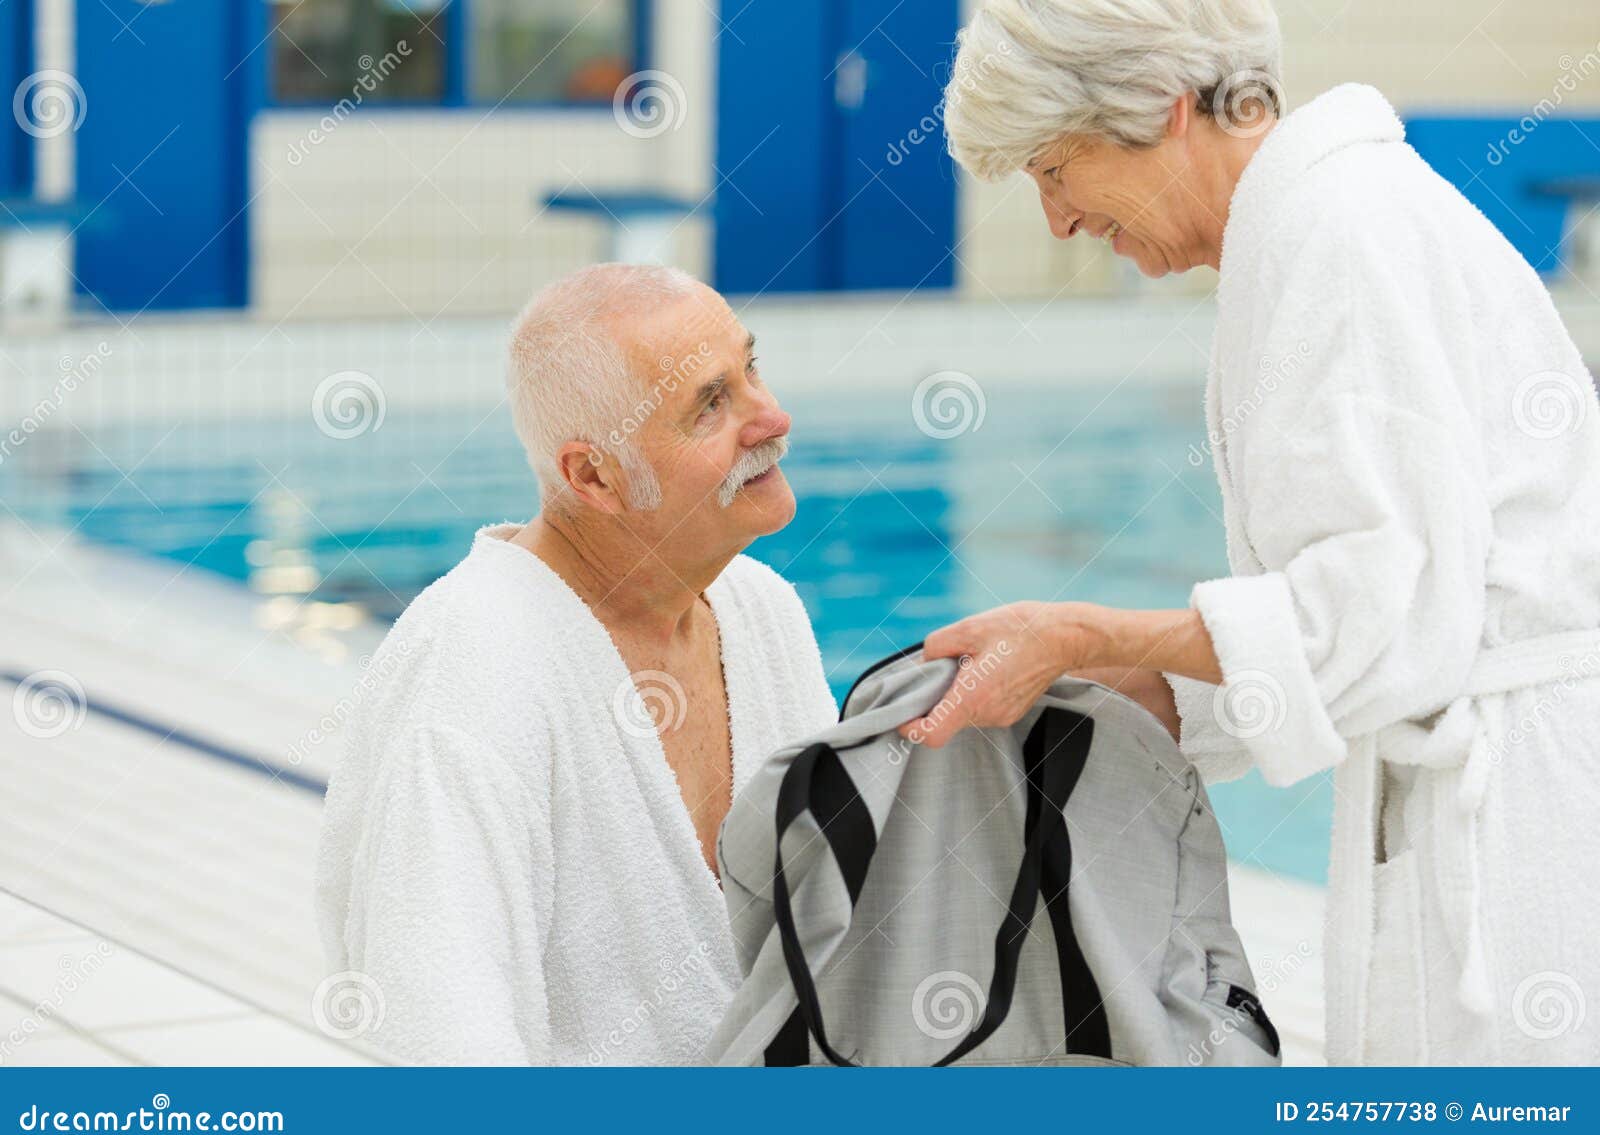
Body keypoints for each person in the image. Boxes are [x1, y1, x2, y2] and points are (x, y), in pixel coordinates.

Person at [914, 0, 1600, 1064]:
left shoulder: (1339, 234)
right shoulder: (1316, 223)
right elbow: (1357, 617)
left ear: (1159, 107)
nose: (1056, 220)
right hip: (1488, 781)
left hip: (1521, 825)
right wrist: (1128, 688)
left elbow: (1379, 621)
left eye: (1052, 169)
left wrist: (1085, 633)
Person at [315, 264, 837, 1064]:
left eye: (751, 368)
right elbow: (439, 1041)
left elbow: (845, 918)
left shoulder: (761, 611)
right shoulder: (475, 677)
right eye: (710, 404)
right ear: (594, 476)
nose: (772, 417)